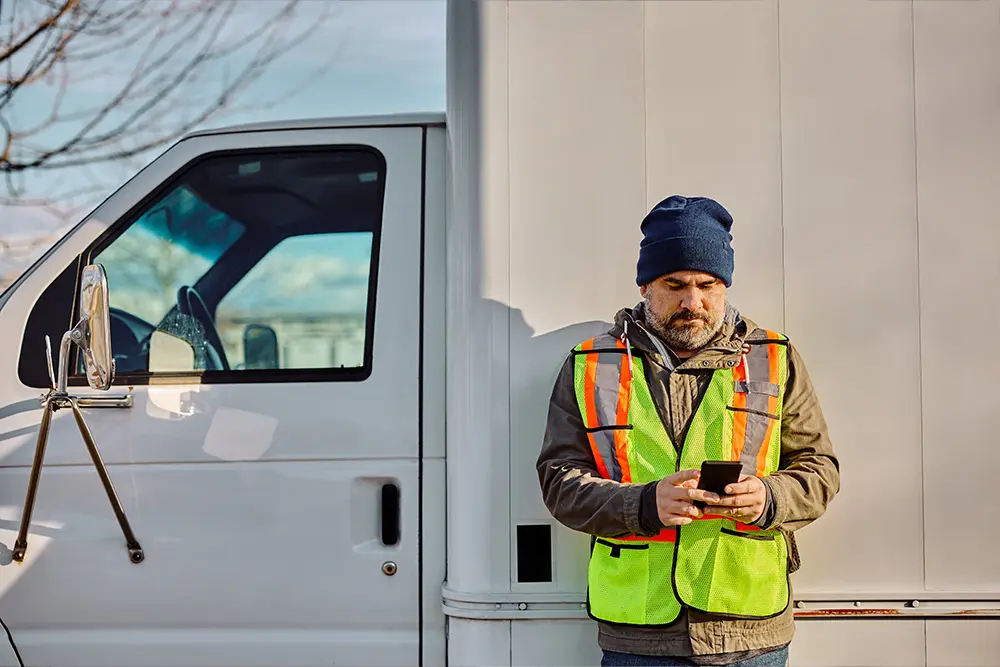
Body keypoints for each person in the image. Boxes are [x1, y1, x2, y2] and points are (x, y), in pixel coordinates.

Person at [536, 195, 840, 667]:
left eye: (707, 285)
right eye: (674, 284)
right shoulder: (592, 364)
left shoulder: (774, 357)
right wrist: (643, 504)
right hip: (639, 638)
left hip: (750, 632)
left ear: (725, 286)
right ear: (645, 286)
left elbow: (820, 471)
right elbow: (559, 482)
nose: (692, 302)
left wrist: (768, 498)